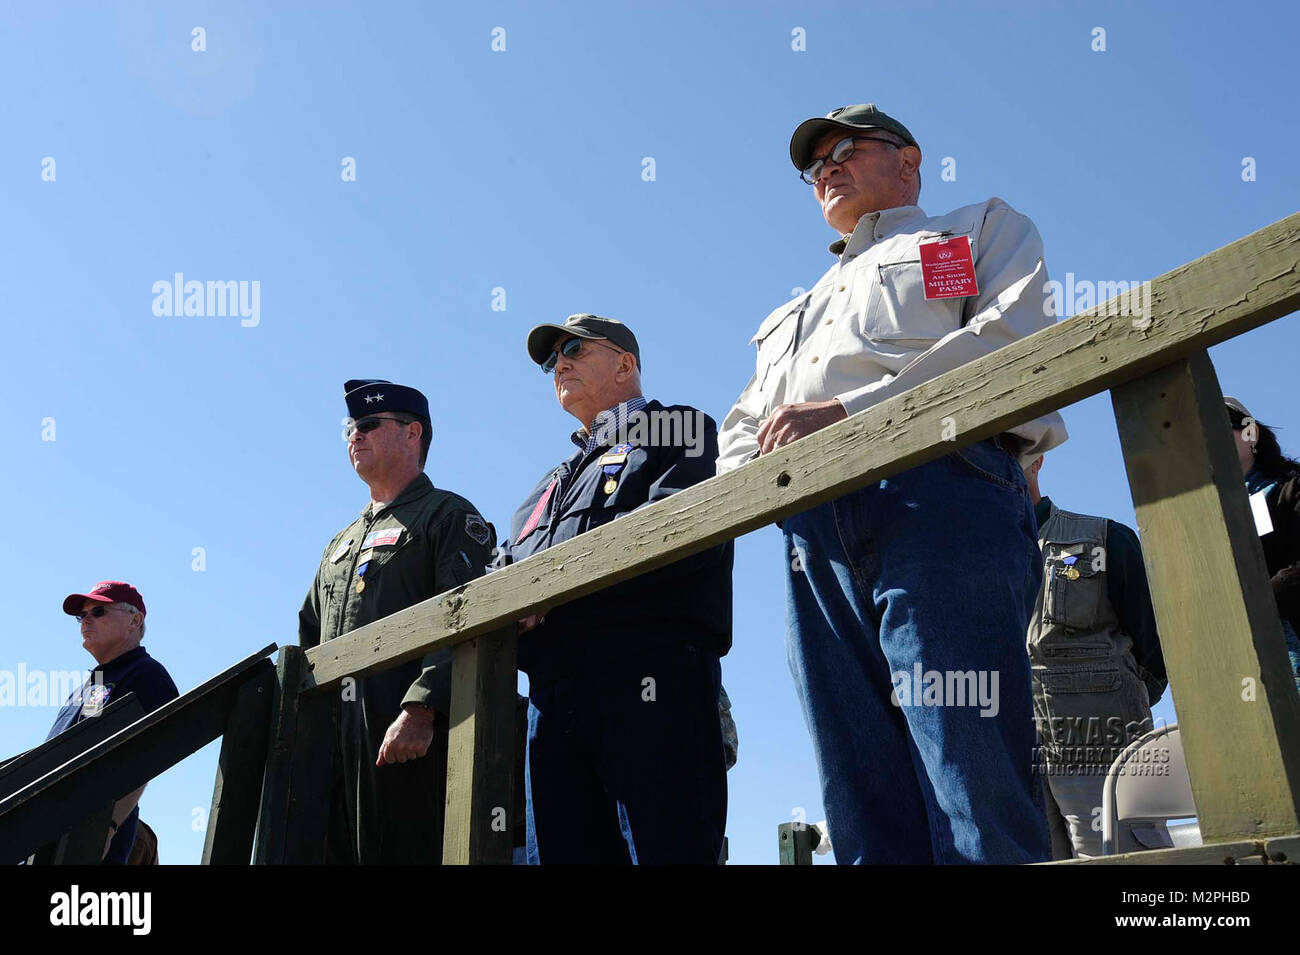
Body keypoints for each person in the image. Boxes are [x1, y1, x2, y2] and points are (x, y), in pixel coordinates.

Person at [717, 103, 1068, 864]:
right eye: (815, 168)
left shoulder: (966, 233)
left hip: (942, 493)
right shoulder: (795, 311)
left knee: (968, 765)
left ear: (908, 161)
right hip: (811, 532)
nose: (827, 171)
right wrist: (751, 482)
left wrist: (851, 412)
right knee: (858, 786)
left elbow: (1012, 338)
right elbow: (741, 427)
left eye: (845, 150)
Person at [500, 313, 732, 864]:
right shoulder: (542, 490)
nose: (561, 363)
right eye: (552, 359)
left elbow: (676, 537)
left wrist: (551, 592)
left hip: (649, 680)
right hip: (552, 699)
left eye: (575, 348)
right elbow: (503, 573)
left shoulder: (679, 430)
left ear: (626, 364)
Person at [299, 379, 496, 864]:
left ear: (413, 434)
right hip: (334, 742)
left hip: (406, 734)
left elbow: (464, 611)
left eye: (368, 425)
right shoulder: (339, 544)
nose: (354, 436)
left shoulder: (447, 516)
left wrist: (422, 708)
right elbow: (307, 638)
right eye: (350, 428)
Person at [1023, 454, 1172, 858]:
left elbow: (1153, 648)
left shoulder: (1104, 538)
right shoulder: (966, 563)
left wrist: (1108, 702)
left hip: (1101, 750)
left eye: (1009, 452)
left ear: (1036, 459)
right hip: (1016, 763)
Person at [50, 580, 178, 864]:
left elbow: (147, 759)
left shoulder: (147, 675)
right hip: (46, 833)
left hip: (88, 841)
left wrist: (108, 828)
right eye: (81, 615)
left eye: (98, 612)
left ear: (134, 620)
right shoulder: (89, 685)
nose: (85, 621)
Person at [1226, 396, 1300, 692]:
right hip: (1237, 663)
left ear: (1250, 433)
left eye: (1218, 426)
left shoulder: (1291, 487)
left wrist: (1253, 603)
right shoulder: (1201, 514)